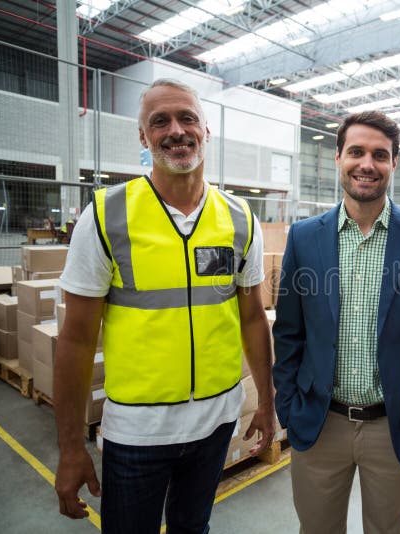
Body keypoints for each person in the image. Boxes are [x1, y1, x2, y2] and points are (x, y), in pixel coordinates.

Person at [53, 78, 275, 533]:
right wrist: (71, 447)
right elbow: (75, 341)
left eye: (187, 118)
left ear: (205, 130)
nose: (176, 130)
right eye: (160, 121)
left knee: (193, 528)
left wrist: (267, 402)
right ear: (143, 136)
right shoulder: (106, 216)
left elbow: (253, 318)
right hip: (138, 434)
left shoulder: (239, 218)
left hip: (216, 424)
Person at [273, 111, 400, 533]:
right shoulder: (304, 237)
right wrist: (289, 409)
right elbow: (289, 333)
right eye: (356, 152)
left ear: (394, 163)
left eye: (379, 155)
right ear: (338, 157)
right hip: (320, 424)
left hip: (393, 428)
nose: (367, 164)